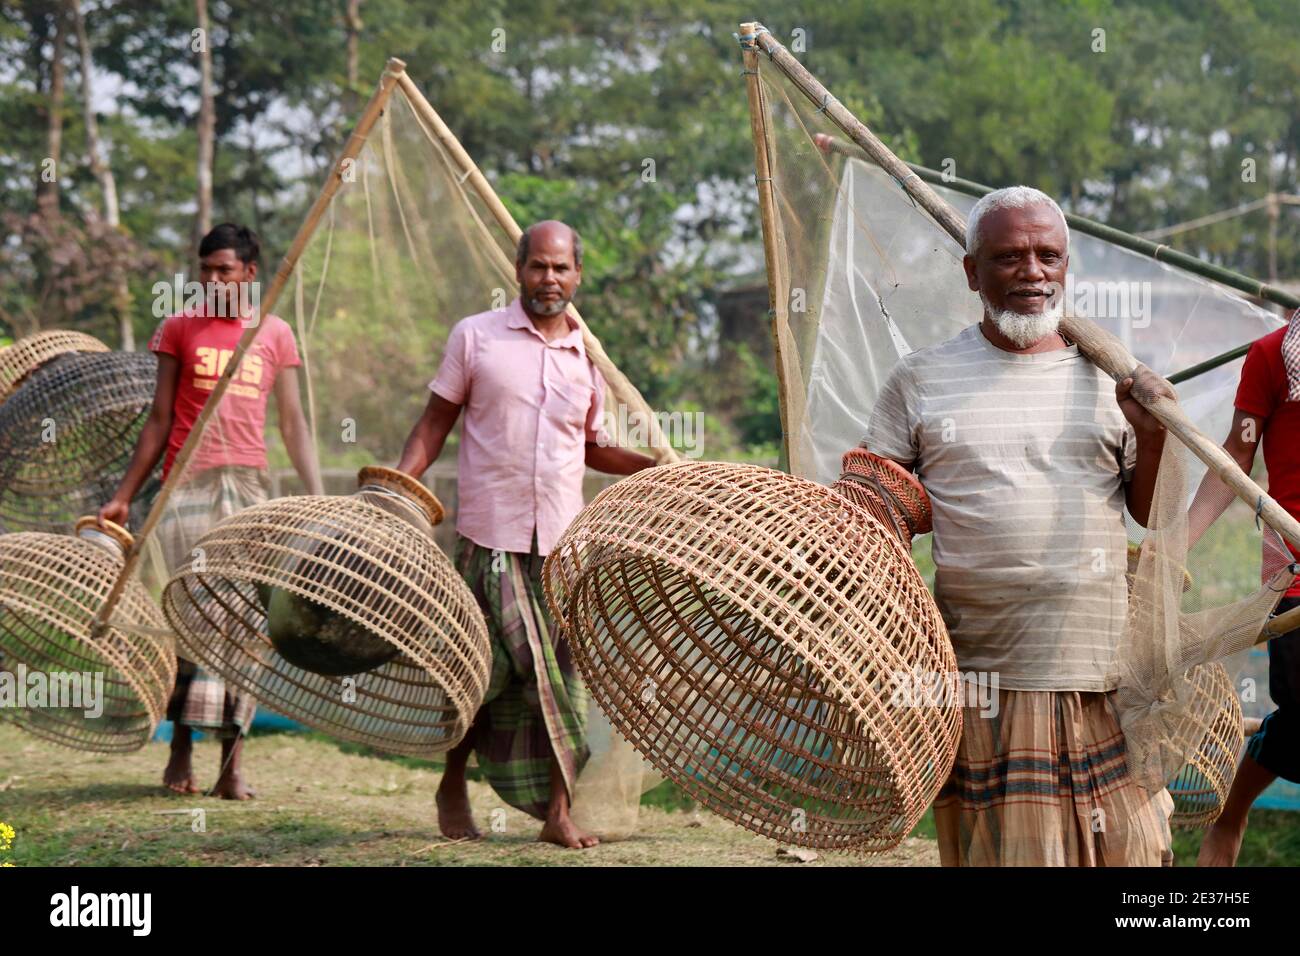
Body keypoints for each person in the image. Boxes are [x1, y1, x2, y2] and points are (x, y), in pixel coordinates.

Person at [862, 186, 1178, 865]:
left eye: (1048, 255)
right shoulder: (921, 379)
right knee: (1009, 853)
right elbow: (877, 503)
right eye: (1008, 257)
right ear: (973, 273)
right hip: (981, 665)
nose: (1032, 272)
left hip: (1098, 660)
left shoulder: (1113, 379)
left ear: (1067, 267)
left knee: (1133, 846)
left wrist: (1150, 435)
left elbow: (1147, 513)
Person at [396, 220, 656, 849]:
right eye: (539, 266)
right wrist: (397, 491)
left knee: (563, 680)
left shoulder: (585, 359)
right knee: (477, 673)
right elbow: (434, 423)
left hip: (560, 549)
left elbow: (591, 447)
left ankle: (557, 813)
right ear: (518, 270)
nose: (549, 280)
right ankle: (452, 782)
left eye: (561, 268)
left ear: (577, 275)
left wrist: (655, 468)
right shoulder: (476, 337)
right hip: (487, 538)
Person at [99, 223, 322, 800]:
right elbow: (159, 419)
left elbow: (293, 424)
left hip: (248, 490)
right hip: (186, 488)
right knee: (191, 616)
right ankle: (179, 749)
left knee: (245, 624)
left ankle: (232, 764)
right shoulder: (179, 327)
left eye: (225, 270)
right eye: (205, 270)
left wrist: (318, 496)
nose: (213, 279)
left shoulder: (273, 333)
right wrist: (126, 494)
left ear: (250, 273)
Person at [1191, 309, 1300, 866]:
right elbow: (1237, 455)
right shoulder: (1274, 356)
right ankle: (1232, 815)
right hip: (1296, 576)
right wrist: (1176, 541)